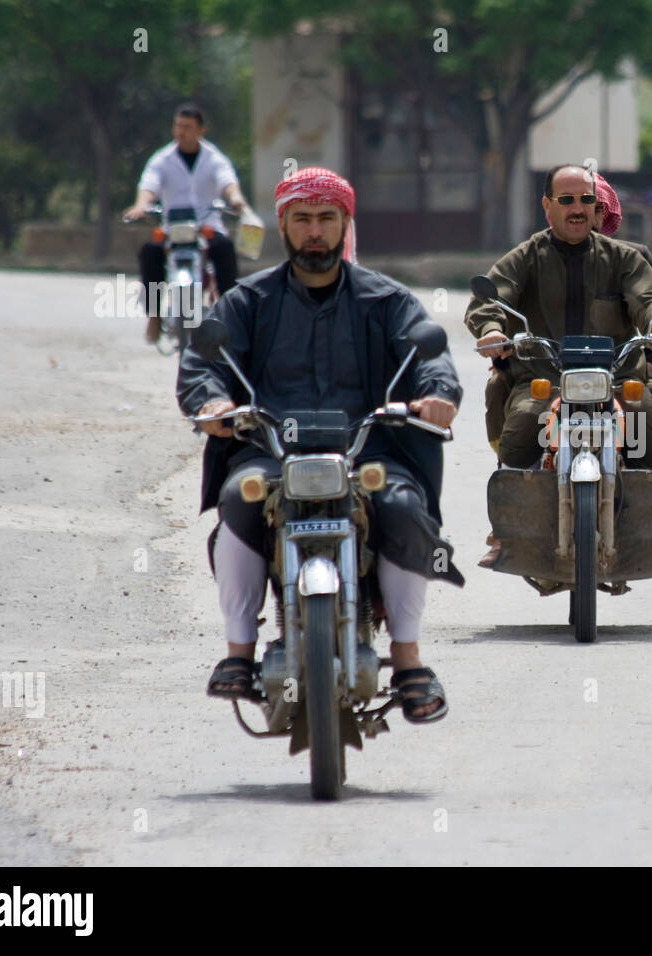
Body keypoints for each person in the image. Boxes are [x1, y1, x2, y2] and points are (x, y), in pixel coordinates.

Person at [175, 166, 463, 723]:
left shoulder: (387, 299)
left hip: (370, 448)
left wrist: (437, 396)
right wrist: (210, 404)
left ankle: (407, 661)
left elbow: (431, 358)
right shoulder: (247, 301)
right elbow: (202, 363)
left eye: (326, 218)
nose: (314, 231)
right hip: (268, 448)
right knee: (240, 499)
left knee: (404, 509)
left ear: (344, 223)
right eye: (302, 219)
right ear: (283, 225)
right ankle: (237, 652)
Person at [467, 163, 652, 472]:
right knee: (518, 445)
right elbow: (492, 298)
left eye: (586, 200)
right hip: (543, 379)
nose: (578, 208)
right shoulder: (525, 257)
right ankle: (518, 501)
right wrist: (492, 330)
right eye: (567, 200)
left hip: (616, 380)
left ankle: (642, 506)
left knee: (649, 445)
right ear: (548, 205)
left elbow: (650, 297)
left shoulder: (624, 258)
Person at [124, 104, 256, 344]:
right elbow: (149, 185)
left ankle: (229, 316)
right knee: (150, 253)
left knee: (225, 249)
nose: (180, 132)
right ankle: (154, 316)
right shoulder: (162, 159)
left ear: (201, 130)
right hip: (171, 228)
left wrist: (236, 200)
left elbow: (227, 182)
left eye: (187, 127)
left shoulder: (214, 158)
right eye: (177, 126)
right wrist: (141, 205)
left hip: (207, 226)